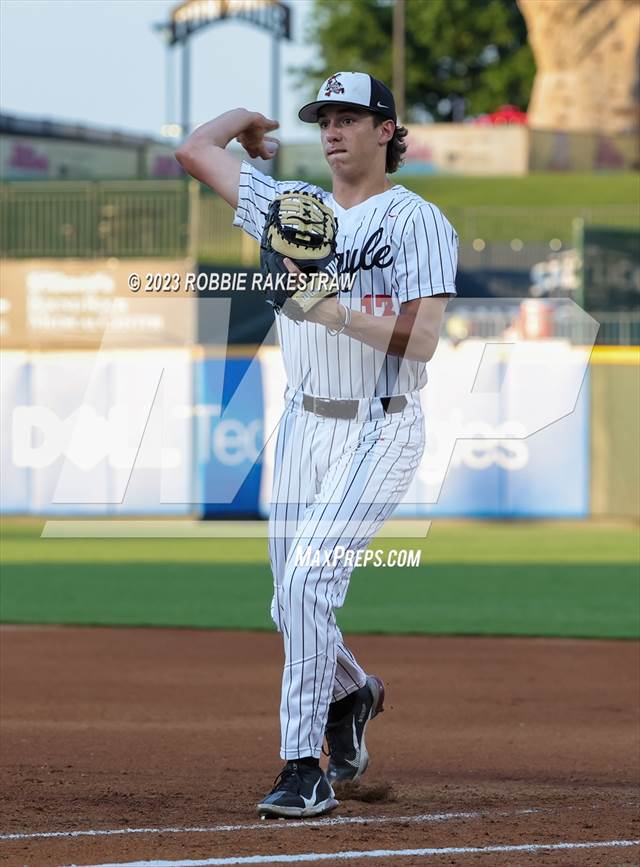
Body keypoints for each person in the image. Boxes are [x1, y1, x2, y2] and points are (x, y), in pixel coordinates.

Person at [176, 71, 458, 819]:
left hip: (383, 421)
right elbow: (194, 150)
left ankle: (305, 766)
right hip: (304, 424)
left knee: (305, 588)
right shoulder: (289, 205)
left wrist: (333, 313)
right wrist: (248, 125)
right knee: (288, 602)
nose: (333, 130)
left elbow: (424, 340)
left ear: (386, 131)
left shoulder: (417, 220)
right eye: (323, 118)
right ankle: (355, 691)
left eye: (350, 117)